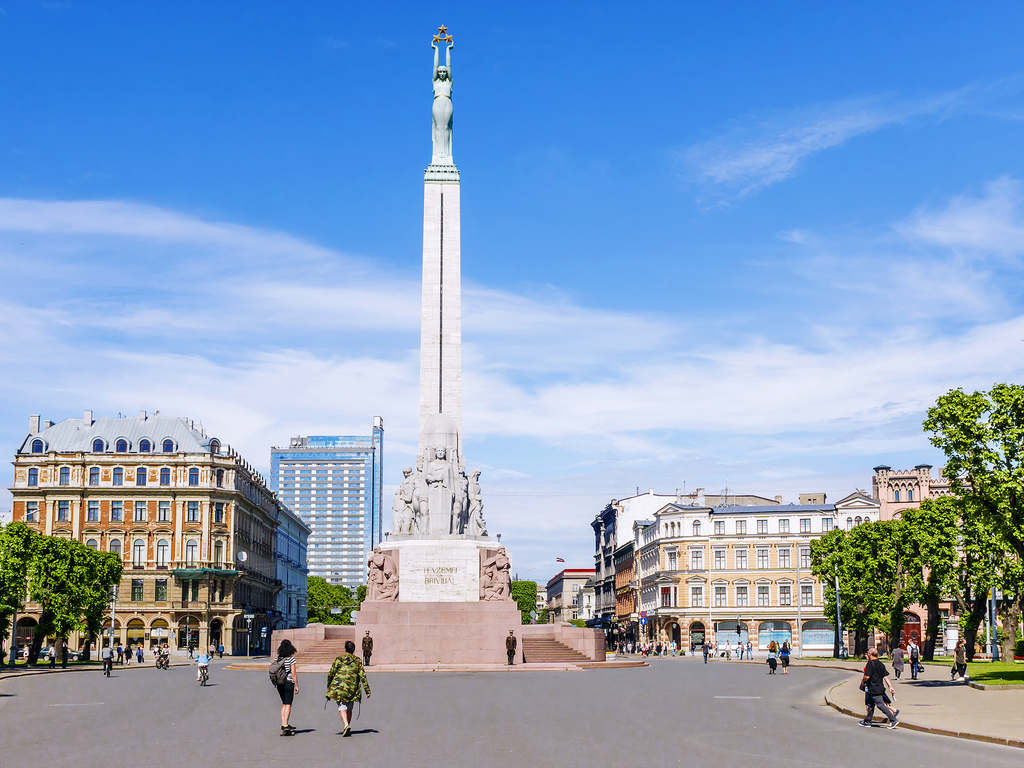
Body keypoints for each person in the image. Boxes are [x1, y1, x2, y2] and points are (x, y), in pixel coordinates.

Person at [326, 639, 371, 738]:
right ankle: (347, 726)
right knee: (349, 707)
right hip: (352, 687)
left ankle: (346, 725)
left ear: (345, 649)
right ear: (353, 650)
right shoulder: (358, 661)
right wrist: (367, 690)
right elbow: (363, 676)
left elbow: (331, 673)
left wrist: (329, 685)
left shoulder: (339, 659)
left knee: (342, 707)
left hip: (339, 686)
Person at [860, 648, 899, 729]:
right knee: (870, 704)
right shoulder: (881, 664)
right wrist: (890, 686)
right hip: (878, 688)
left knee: (880, 705)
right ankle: (867, 721)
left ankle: (893, 720)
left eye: (868, 653)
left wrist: (863, 681)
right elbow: (886, 676)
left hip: (874, 688)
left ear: (870, 654)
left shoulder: (870, 664)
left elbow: (867, 676)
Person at [274, 639, 299, 736]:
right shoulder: (291, 659)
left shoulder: (277, 659)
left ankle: (283, 724)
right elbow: (294, 674)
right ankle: (285, 725)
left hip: (279, 684)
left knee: (284, 704)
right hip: (288, 683)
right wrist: (296, 685)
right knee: (288, 704)